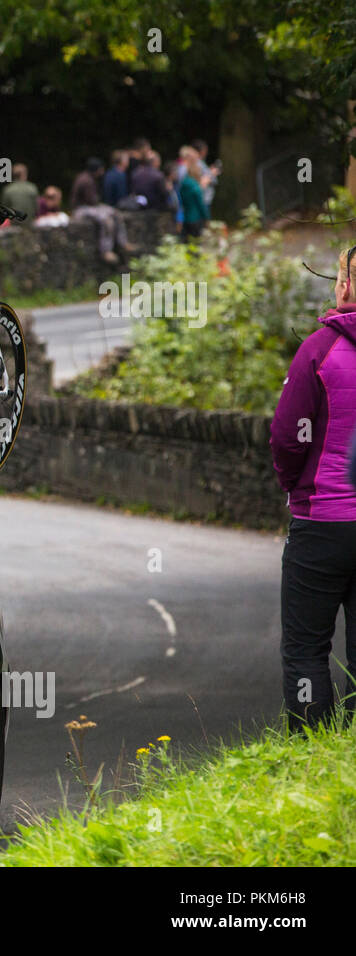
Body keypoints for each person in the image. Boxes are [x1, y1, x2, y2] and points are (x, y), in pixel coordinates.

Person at [269, 244, 356, 732]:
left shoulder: (320, 349)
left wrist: (294, 486)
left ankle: (311, 759)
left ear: (343, 286)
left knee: (306, 652)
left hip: (322, 523)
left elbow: (287, 434)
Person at [69, 157, 134, 264]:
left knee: (115, 213)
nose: (102, 172)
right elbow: (91, 201)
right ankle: (106, 251)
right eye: (101, 169)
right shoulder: (86, 180)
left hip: (89, 206)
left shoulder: (89, 178)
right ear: (96, 170)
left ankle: (123, 242)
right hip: (81, 209)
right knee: (106, 219)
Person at [176, 145, 209, 242]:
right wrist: (206, 218)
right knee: (195, 245)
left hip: (185, 217)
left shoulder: (184, 183)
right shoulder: (195, 187)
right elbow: (201, 205)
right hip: (195, 219)